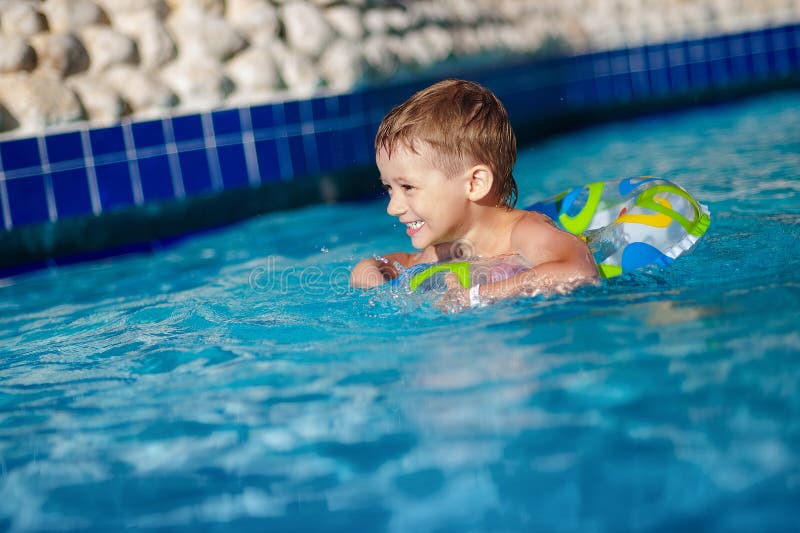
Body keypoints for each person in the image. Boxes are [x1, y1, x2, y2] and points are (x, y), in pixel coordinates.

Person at [350, 79, 597, 308]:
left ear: (475, 183)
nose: (392, 208)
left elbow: (577, 270)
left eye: (408, 188)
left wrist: (476, 296)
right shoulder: (445, 248)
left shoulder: (525, 233)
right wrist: (370, 274)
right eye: (389, 188)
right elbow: (388, 265)